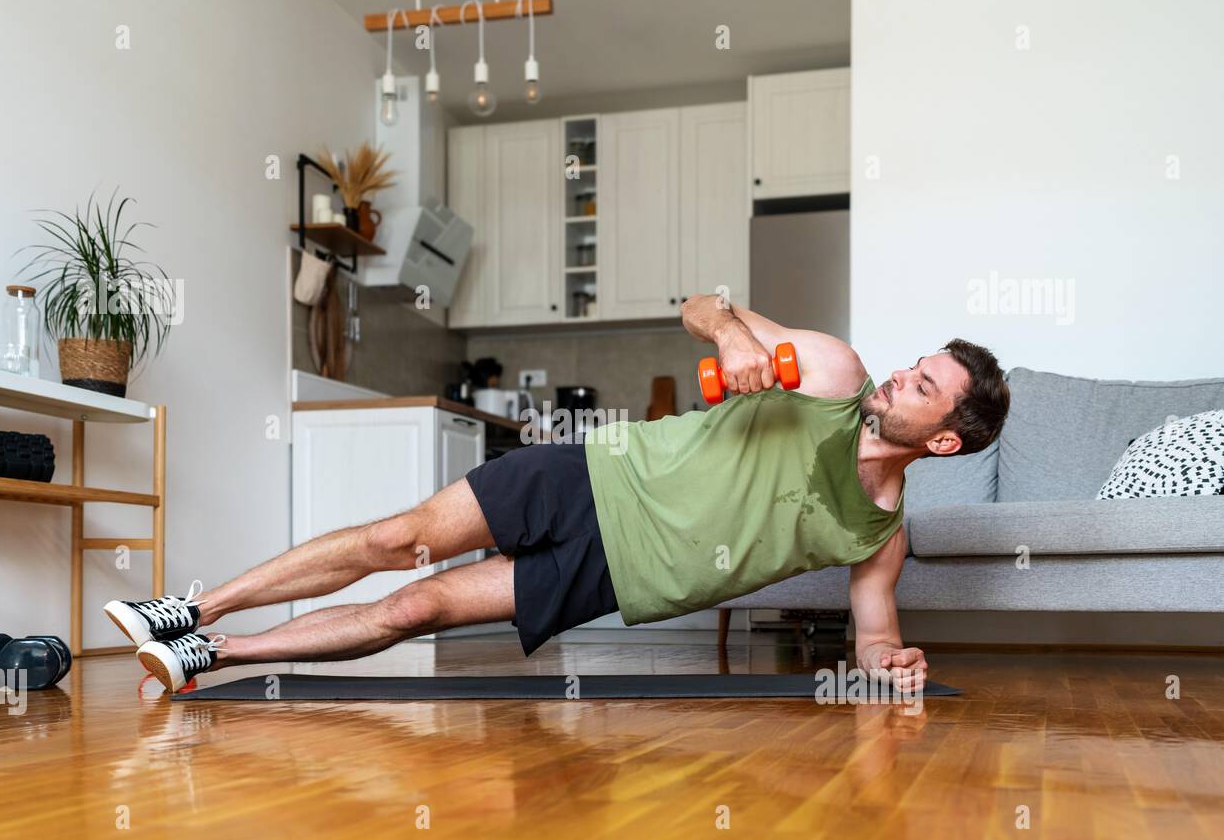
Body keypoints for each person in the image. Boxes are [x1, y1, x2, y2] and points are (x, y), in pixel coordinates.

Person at [105, 295, 1010, 693]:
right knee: (398, 537)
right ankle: (187, 605)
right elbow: (699, 302)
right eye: (913, 364)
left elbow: (877, 632)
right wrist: (733, 331)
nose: (898, 377)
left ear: (941, 437)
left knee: (418, 605)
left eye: (923, 386)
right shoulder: (830, 371)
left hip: (620, 572)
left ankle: (212, 653)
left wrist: (890, 663)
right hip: (592, 474)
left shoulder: (879, 534)